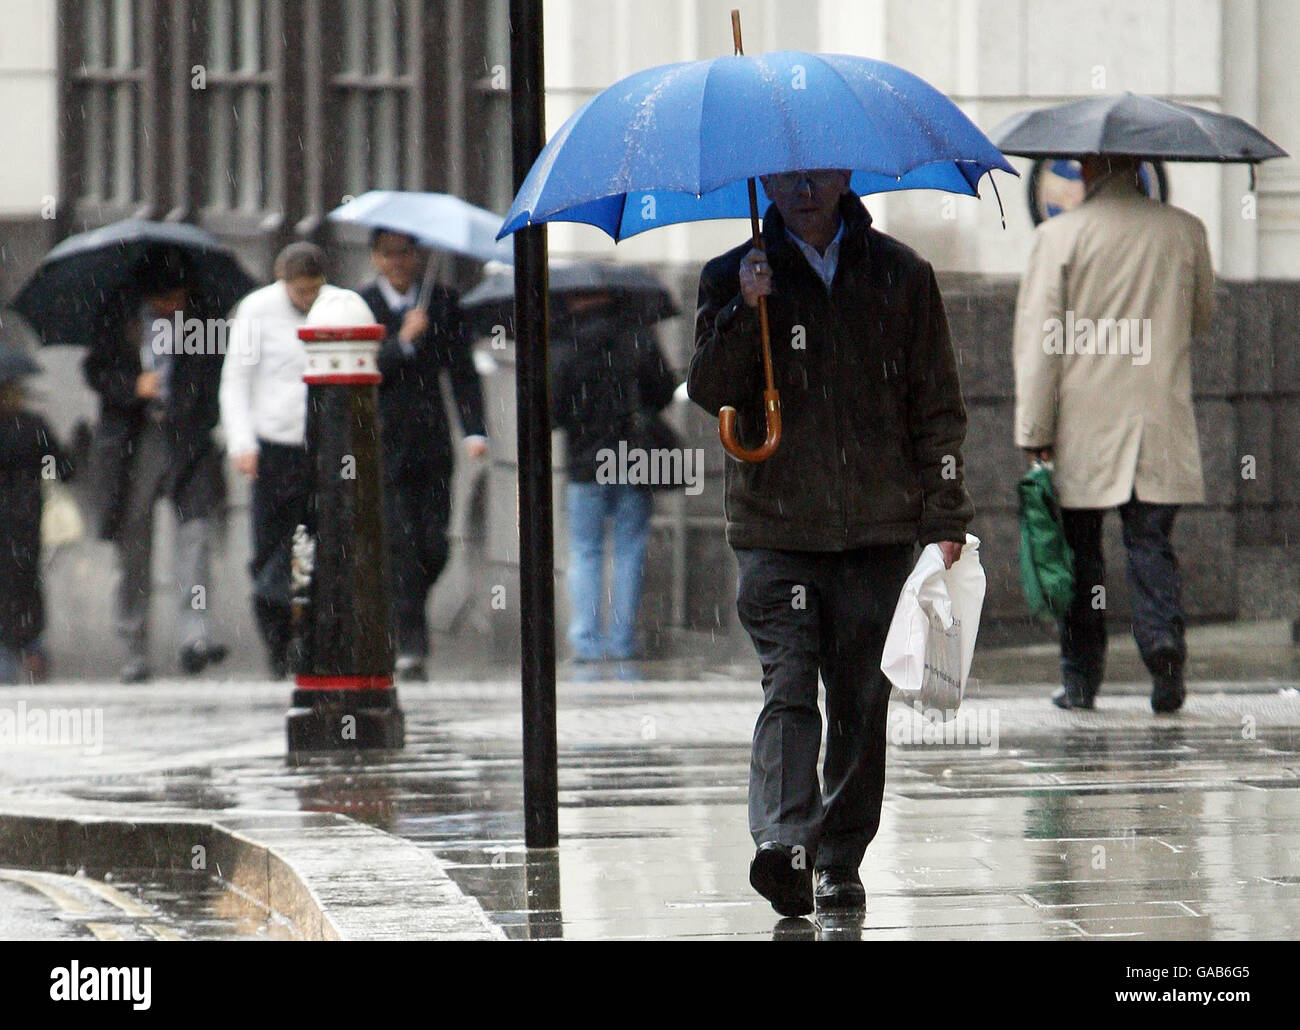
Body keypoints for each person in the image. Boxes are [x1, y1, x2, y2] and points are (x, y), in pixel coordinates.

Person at [689, 169, 972, 917]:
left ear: (846, 174)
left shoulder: (902, 274)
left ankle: (839, 855)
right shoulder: (732, 274)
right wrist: (743, 312)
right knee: (787, 685)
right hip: (775, 527)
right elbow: (709, 387)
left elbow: (936, 403)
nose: (802, 189)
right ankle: (783, 842)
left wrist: (944, 517)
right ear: (763, 180)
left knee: (858, 700)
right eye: (785, 176)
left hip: (876, 527)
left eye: (817, 173)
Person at [1013, 155, 1214, 714]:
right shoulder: (1186, 230)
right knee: (1152, 546)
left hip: (1083, 426)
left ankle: (1080, 678)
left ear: (1093, 167)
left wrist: (1035, 427)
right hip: (1158, 419)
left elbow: (1040, 343)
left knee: (1080, 555)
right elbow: (1201, 316)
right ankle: (1164, 654)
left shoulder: (1059, 237)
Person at [84, 250, 227, 683]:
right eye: (165, 301)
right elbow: (95, 372)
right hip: (135, 439)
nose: (173, 308)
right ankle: (134, 645)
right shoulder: (117, 318)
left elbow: (216, 376)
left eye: (179, 299)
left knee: (196, 535)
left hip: (189, 439)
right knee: (134, 545)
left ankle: (195, 634)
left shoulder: (205, 321)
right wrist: (132, 386)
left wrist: (192, 407)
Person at [358, 229, 487, 681]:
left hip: (432, 441)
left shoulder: (443, 301)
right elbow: (364, 368)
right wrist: (403, 342)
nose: (397, 262)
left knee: (433, 546)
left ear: (417, 256)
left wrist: (474, 429)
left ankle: (403, 609)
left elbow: (462, 371)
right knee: (399, 543)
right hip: (382, 441)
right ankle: (410, 644)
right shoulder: (362, 306)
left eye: (405, 253)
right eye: (388, 254)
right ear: (375, 258)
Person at [220, 242, 347, 678]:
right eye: (300, 292)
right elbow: (236, 379)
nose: (307, 301)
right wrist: (242, 441)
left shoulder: (337, 306)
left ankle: (311, 642)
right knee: (270, 551)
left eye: (313, 291)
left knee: (319, 545)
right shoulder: (256, 311)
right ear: (283, 282)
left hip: (321, 446)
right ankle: (276, 643)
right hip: (273, 447)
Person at [551, 290, 678, 662]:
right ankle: (622, 641)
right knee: (629, 549)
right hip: (633, 458)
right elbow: (664, 393)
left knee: (585, 551)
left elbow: (553, 410)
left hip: (584, 462)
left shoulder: (562, 342)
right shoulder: (637, 336)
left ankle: (587, 642)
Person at [0, 346, 73, 684]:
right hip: (25, 520)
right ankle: (31, 649)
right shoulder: (32, 425)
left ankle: (12, 655)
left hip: (19, 520)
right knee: (26, 585)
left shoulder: (31, 425)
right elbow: (63, 467)